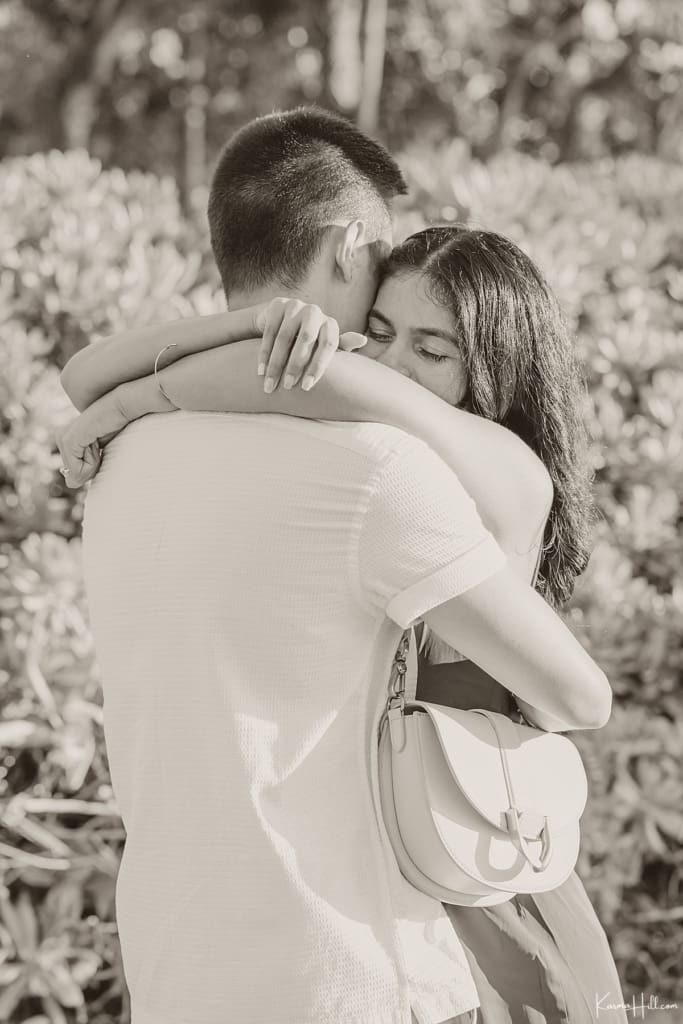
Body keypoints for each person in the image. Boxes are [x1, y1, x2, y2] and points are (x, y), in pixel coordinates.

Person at [58, 108, 614, 1024]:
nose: (387, 355)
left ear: (495, 373)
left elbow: (581, 700)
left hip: (474, 884)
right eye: (382, 328)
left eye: (431, 349)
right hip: (380, 941)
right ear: (354, 249)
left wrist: (142, 395)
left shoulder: (477, 465)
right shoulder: (374, 466)